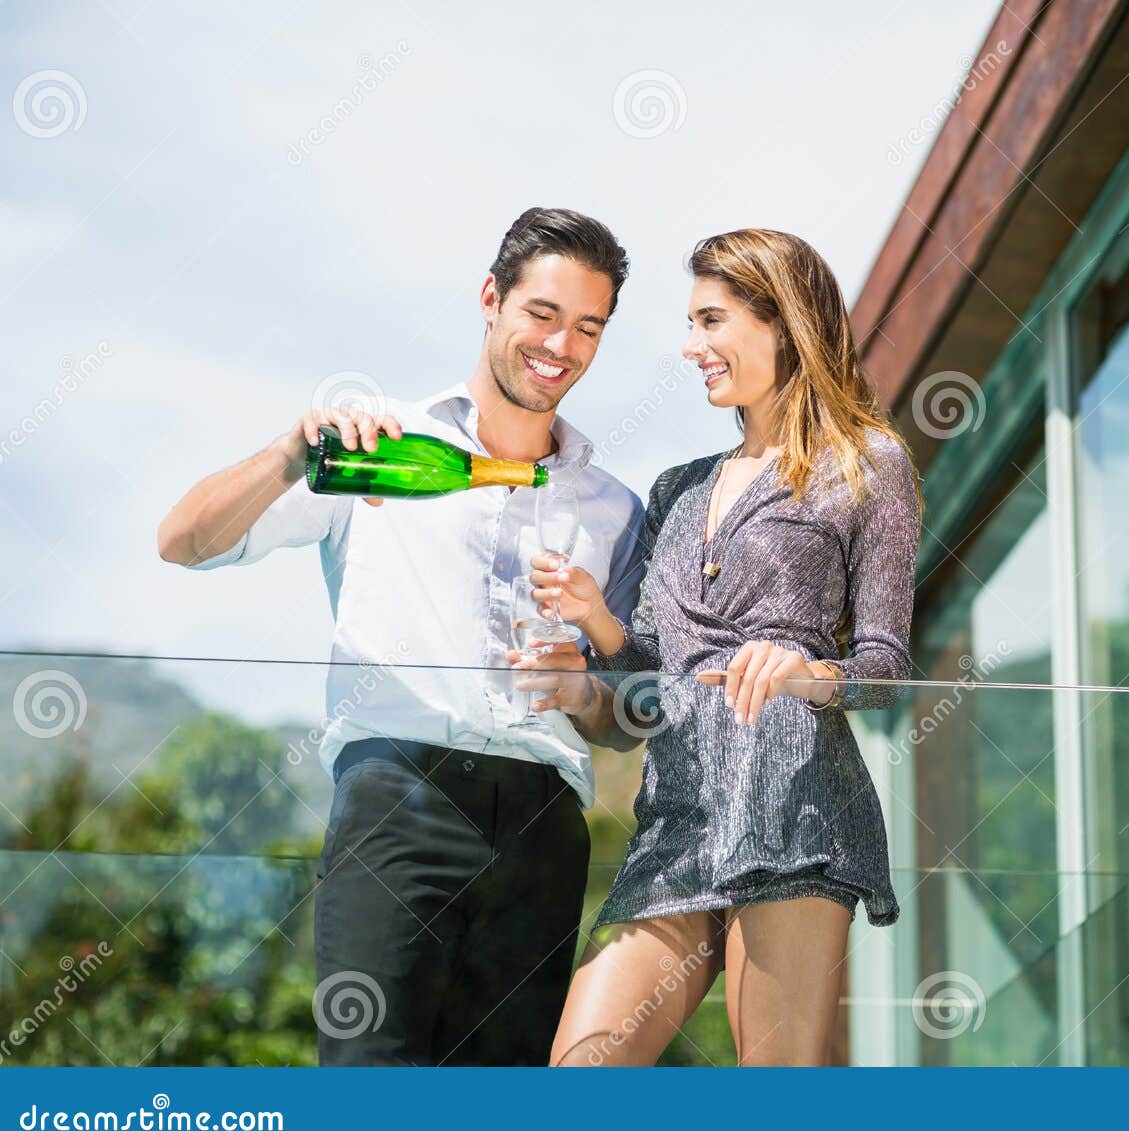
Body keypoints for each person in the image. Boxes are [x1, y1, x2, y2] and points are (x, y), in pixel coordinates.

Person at [156, 207, 646, 1065]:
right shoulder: (374, 443)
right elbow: (184, 542)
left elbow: (629, 717)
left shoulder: (615, 508)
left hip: (546, 825)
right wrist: (289, 453)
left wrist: (582, 688)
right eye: (542, 313)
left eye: (588, 327)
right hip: (398, 797)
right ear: (491, 299)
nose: (561, 344)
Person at [528, 228, 922, 1066]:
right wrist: (598, 629)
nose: (691, 346)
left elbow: (885, 667)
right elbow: (646, 689)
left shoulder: (867, 464)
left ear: (782, 323)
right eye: (691, 323)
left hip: (796, 809)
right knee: (578, 1071)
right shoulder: (678, 487)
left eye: (712, 320)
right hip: (676, 818)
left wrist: (806, 673)